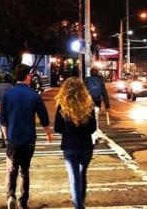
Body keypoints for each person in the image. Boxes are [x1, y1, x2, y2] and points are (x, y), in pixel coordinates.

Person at [0, 64, 54, 209]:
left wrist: (6, 138)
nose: (31, 77)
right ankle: (23, 202)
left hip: (12, 138)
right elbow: (43, 117)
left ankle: (10, 196)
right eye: (30, 75)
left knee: (11, 170)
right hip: (28, 139)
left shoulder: (8, 95)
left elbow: (3, 120)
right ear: (27, 76)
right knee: (24, 171)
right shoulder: (33, 95)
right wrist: (48, 132)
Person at [54, 77, 97, 209]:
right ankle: (80, 202)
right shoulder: (88, 105)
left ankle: (78, 205)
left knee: (74, 177)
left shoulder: (62, 105)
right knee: (82, 174)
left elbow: (57, 127)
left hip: (70, 145)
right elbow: (93, 128)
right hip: (85, 146)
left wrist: (67, 129)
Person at [0, 74, 14, 147]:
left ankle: (4, 140)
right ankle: (10, 139)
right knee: (10, 123)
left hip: (1, 107)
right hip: (10, 107)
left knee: (2, 123)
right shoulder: (12, 87)